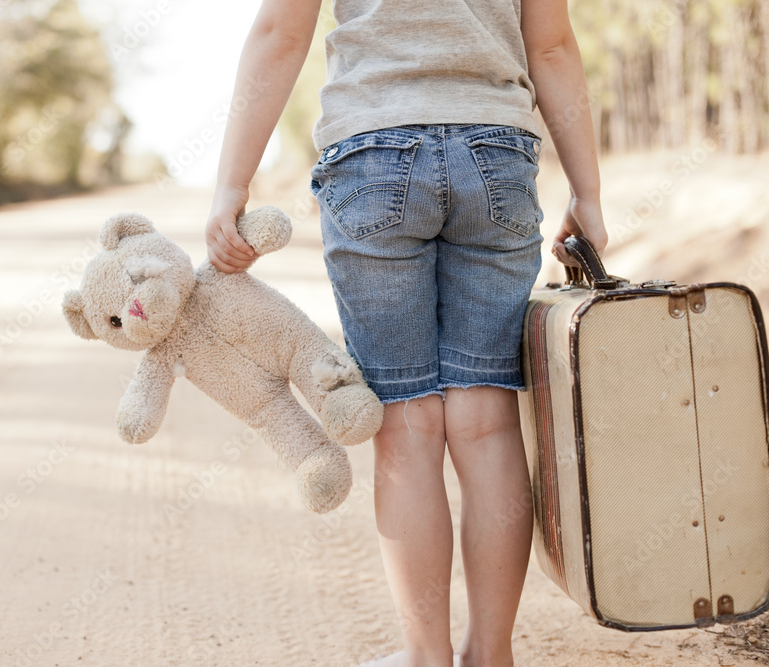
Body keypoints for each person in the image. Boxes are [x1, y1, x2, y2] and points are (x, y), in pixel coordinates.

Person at [205, 0, 608, 664]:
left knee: (405, 425)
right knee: (487, 420)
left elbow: (281, 32)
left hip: (373, 152)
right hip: (495, 154)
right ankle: (492, 653)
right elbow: (554, 45)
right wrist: (587, 191)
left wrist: (231, 183)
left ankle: (427, 656)